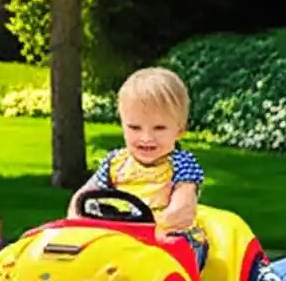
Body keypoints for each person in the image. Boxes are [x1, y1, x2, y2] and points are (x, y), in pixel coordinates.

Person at [68, 66, 208, 267]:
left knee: (177, 247)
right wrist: (75, 223)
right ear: (123, 124)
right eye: (134, 127)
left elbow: (183, 207)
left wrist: (158, 227)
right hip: (121, 236)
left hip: (167, 236)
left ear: (180, 130)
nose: (146, 138)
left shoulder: (181, 164)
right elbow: (83, 197)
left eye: (159, 128)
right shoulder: (115, 163)